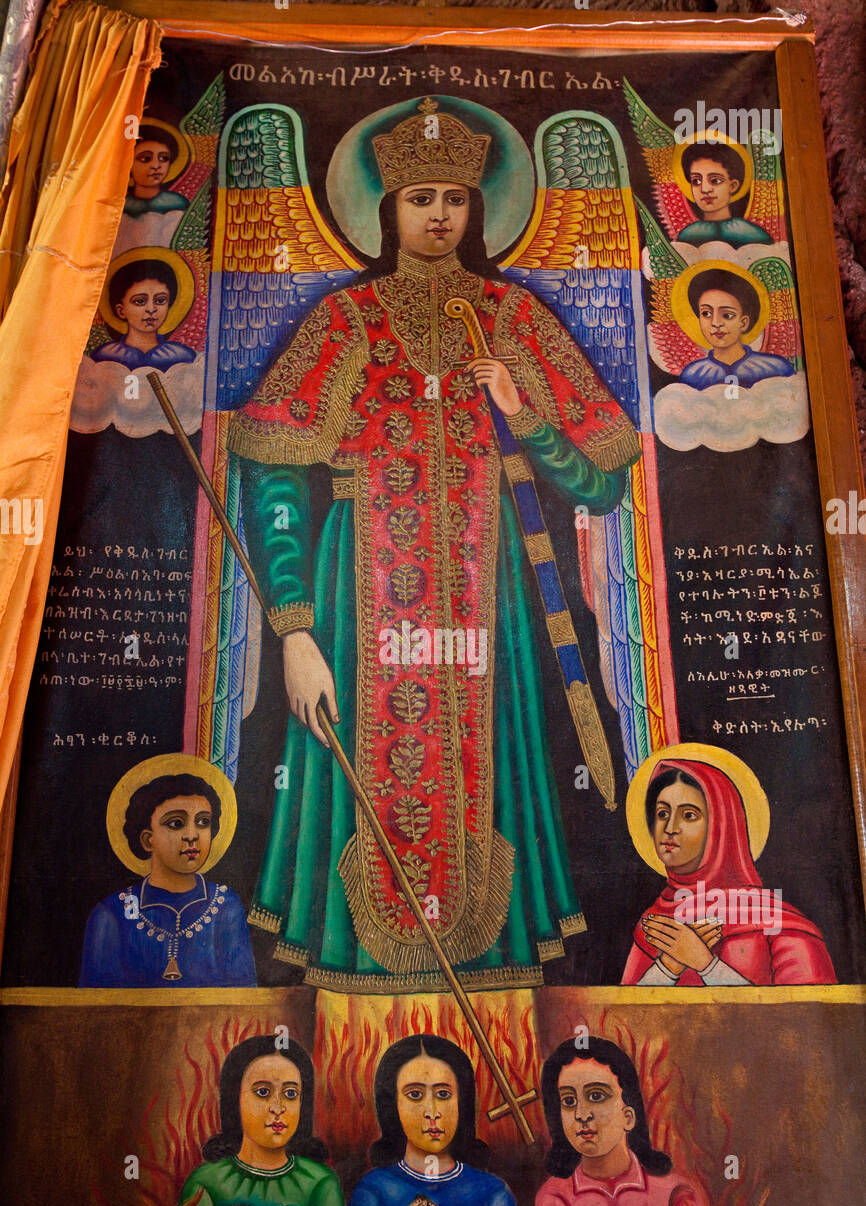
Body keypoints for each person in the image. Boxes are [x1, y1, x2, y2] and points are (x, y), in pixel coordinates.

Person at [228, 98, 641, 992]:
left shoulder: (515, 319)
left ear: (478, 205)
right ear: (387, 208)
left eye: (455, 195)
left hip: (489, 609)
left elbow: (603, 480)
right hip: (351, 604)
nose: (440, 214)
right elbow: (269, 475)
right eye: (420, 197)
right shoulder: (341, 323)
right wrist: (295, 631)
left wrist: (523, 416)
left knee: (490, 781)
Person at [534, 1037, 730, 1206]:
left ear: (629, 1115)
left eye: (595, 1096)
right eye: (568, 1101)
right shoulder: (555, 1198)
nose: (582, 1114)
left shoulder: (676, 1194)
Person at [337, 1034, 528, 1206]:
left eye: (443, 1094)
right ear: (392, 1104)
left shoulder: (492, 1193)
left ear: (462, 1101)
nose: (432, 1111)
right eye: (415, 1095)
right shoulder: (374, 1191)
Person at [621, 756, 837, 986]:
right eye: (662, 813)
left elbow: (807, 1016)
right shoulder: (654, 924)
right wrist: (667, 967)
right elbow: (619, 1017)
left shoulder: (779, 923)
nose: (670, 828)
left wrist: (706, 964)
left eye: (689, 815)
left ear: (721, 825)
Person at [172, 1035, 344, 1206]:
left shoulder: (320, 1182)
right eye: (263, 1092)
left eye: (290, 1094)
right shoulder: (206, 1183)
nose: (278, 1108)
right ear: (234, 1099)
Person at [79, 768, 255, 987]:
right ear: (147, 840)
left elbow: (244, 1002)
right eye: (176, 823)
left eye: (202, 822)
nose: (192, 835)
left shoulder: (226, 907)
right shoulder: (112, 915)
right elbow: (95, 1009)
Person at [678, 268, 794, 390]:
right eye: (706, 313)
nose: (716, 323)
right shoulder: (692, 375)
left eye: (727, 315)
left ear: (743, 323)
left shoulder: (775, 368)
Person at [91, 259, 196, 370]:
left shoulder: (182, 356)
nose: (151, 309)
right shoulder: (105, 356)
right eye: (140, 301)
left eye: (160, 301)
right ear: (121, 311)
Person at [677, 142, 772, 248]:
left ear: (733, 186)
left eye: (715, 180)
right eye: (696, 181)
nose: (705, 189)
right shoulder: (687, 235)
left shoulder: (753, 234)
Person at [124, 123, 189, 219]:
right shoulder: (122, 204)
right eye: (146, 158)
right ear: (129, 164)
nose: (156, 166)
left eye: (163, 158)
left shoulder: (177, 203)